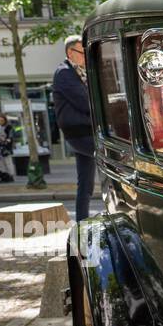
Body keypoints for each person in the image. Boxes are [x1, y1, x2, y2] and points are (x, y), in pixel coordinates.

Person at [53, 34, 95, 222]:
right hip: (79, 133)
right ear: (70, 53)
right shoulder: (64, 73)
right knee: (113, 159)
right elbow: (85, 102)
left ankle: (82, 223)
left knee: (85, 184)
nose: (86, 56)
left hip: (85, 131)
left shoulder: (78, 72)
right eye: (82, 52)